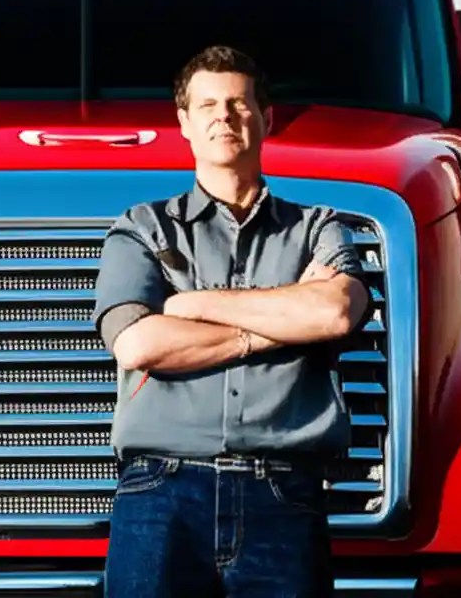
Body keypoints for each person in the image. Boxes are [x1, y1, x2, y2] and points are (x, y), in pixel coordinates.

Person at [92, 45, 373, 597]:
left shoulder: (319, 227)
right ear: (186, 124)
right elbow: (139, 343)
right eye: (209, 105)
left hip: (286, 496)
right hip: (160, 493)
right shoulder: (142, 228)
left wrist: (192, 304)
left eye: (240, 104)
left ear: (266, 120)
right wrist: (278, 322)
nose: (225, 116)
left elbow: (336, 310)